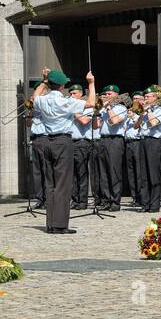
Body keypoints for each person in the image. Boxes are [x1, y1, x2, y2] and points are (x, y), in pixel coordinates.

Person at [32, 68, 92, 234]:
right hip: (63, 142)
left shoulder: (43, 100)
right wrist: (91, 84)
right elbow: (91, 103)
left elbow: (35, 96)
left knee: (50, 184)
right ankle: (60, 225)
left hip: (47, 141)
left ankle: (50, 224)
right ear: (62, 85)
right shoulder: (65, 101)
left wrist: (44, 81)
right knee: (63, 185)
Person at [97, 85, 128, 211]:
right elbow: (95, 126)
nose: (106, 96)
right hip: (103, 139)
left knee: (114, 171)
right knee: (103, 172)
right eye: (105, 94)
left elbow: (115, 121)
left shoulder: (121, 108)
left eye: (109, 94)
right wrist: (96, 112)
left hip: (115, 140)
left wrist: (108, 107)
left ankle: (115, 201)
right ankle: (106, 200)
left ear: (116, 94)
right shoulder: (102, 109)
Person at [138, 85, 161, 214]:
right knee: (143, 174)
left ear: (155, 98)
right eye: (145, 96)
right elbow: (135, 126)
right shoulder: (143, 110)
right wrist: (140, 113)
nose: (145, 98)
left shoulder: (160, 111)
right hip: (143, 141)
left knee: (153, 174)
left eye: (148, 96)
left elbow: (154, 123)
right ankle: (145, 203)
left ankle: (154, 204)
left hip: (154, 142)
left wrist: (149, 111)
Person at [66, 83, 95, 211]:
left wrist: (73, 111)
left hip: (82, 142)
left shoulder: (86, 107)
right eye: (70, 94)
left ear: (81, 94)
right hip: (69, 141)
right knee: (71, 173)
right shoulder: (69, 106)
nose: (72, 96)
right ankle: (75, 199)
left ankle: (82, 201)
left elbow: (84, 121)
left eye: (74, 94)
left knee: (81, 172)